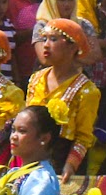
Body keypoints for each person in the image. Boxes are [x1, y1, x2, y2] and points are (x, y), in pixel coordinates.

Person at [26, 19, 101, 182]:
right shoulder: (35, 79)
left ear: (73, 47)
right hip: (30, 158)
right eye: (44, 39)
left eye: (53, 39)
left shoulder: (86, 90)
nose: (45, 45)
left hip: (61, 162)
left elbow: (84, 137)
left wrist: (70, 165)